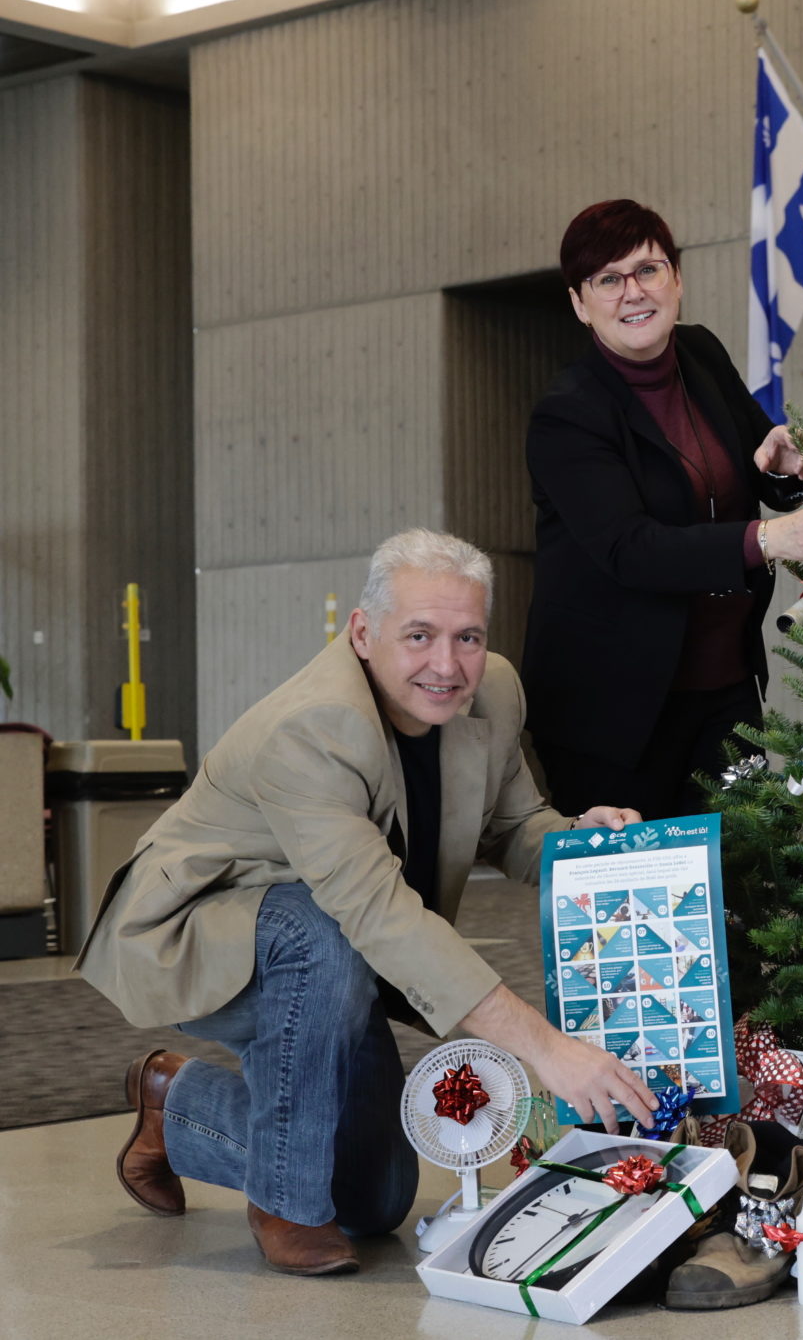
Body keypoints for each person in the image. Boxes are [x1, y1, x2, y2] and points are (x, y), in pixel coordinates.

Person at [77, 529, 657, 1277]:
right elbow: (376, 913)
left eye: (467, 636)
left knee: (375, 1197)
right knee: (323, 935)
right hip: (196, 931)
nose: (446, 664)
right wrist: (548, 1050)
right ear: (362, 632)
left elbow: (513, 827)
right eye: (419, 635)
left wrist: (578, 840)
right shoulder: (312, 727)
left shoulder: (496, 691)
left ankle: (174, 1101)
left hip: (337, 949)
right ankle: (285, 1203)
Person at [522, 199, 803, 820]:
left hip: (725, 684)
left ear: (677, 279)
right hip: (613, 709)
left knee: (739, 887)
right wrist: (770, 538)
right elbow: (630, 549)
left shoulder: (700, 353)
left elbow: (754, 466)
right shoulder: (567, 414)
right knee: (632, 909)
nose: (633, 292)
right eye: (608, 279)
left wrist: (790, 469)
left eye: (648, 269)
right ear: (580, 302)